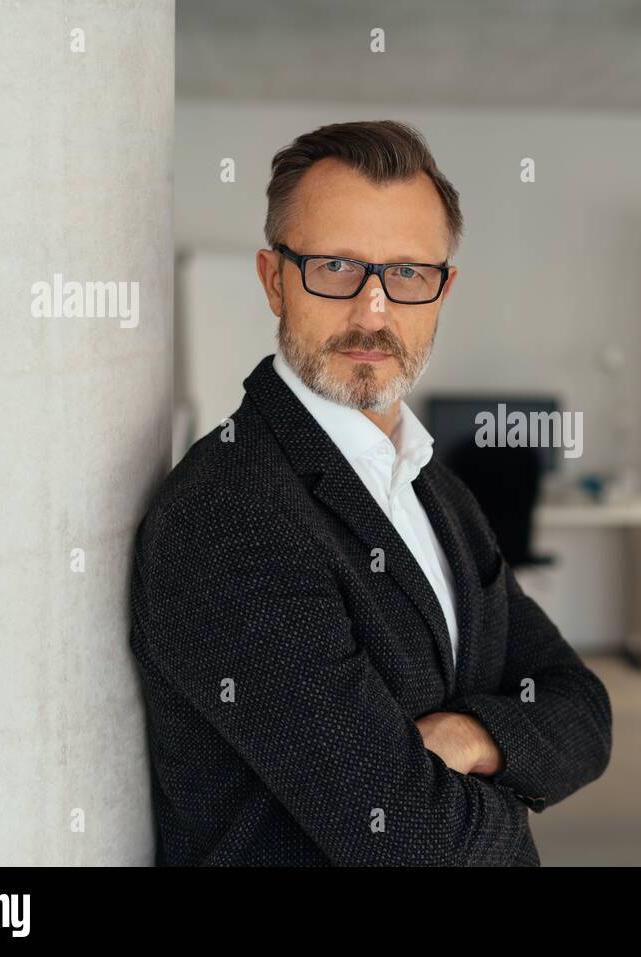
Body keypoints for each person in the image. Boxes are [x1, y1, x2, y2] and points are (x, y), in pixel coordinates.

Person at [128, 120, 612, 865]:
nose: (373, 311)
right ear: (273, 278)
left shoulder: (437, 487)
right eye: (335, 266)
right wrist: (512, 797)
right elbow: (409, 836)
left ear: (443, 291)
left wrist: (472, 737)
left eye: (408, 274)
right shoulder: (229, 515)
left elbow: (583, 708)